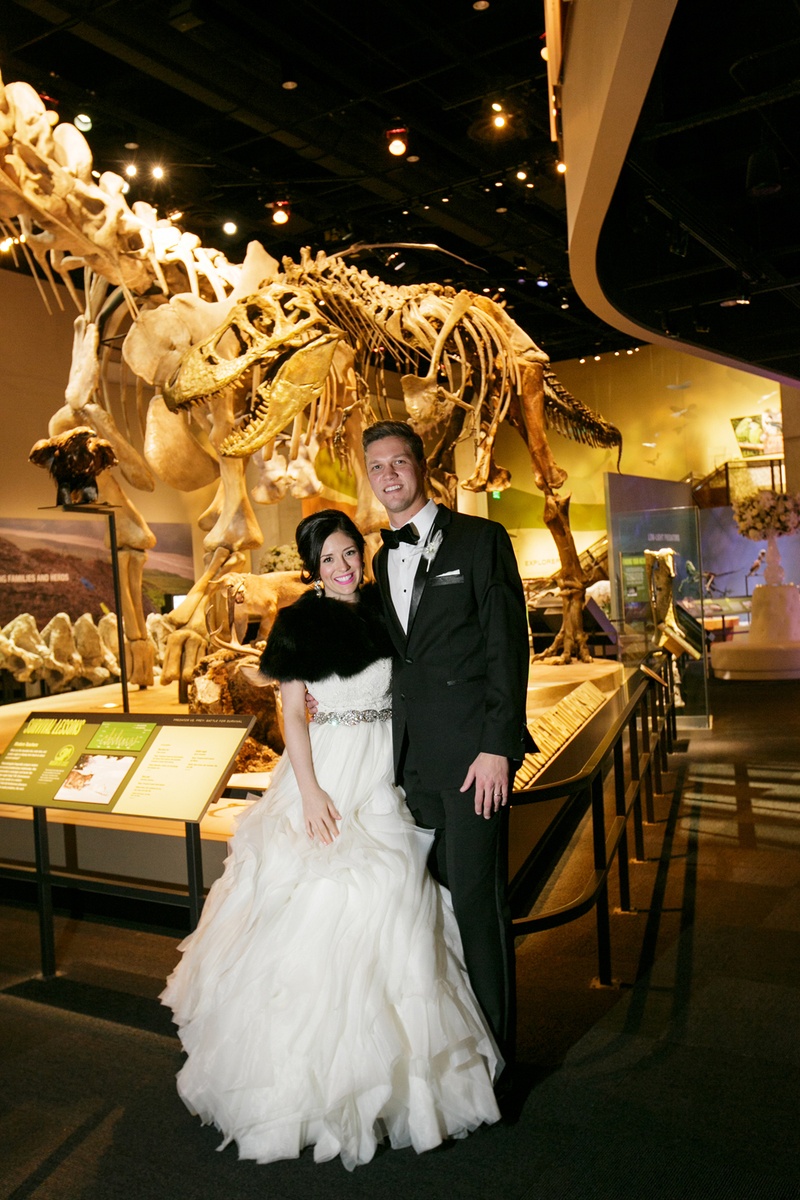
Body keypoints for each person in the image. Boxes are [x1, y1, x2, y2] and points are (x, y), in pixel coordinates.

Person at [161, 509, 501, 1171]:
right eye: (330, 562)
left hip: (387, 766)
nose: (344, 569)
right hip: (332, 770)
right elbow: (291, 711)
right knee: (331, 898)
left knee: (402, 895)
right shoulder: (300, 623)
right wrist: (311, 791)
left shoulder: (381, 609)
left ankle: (407, 1080)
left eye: (350, 555)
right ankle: (315, 1088)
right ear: (312, 570)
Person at [362, 420, 532, 1067]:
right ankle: (454, 1060)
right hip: (411, 767)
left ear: (421, 466)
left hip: (473, 763)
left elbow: (507, 649)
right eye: (377, 467)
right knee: (432, 915)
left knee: (478, 908)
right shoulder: (380, 559)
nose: (389, 476)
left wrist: (498, 746)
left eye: (398, 463)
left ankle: (498, 1062)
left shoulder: (481, 540)